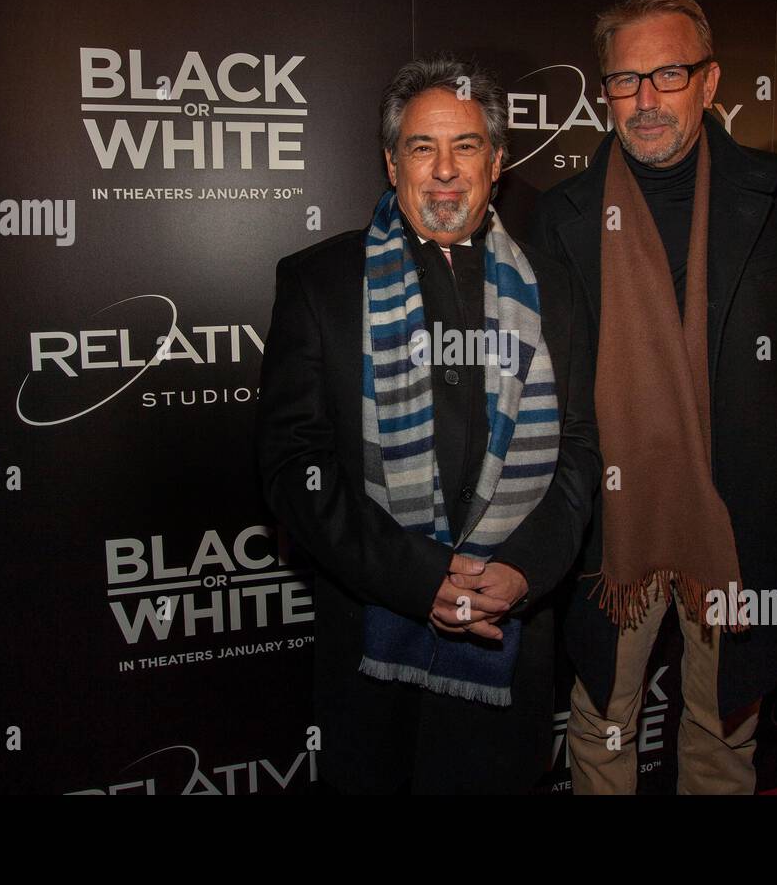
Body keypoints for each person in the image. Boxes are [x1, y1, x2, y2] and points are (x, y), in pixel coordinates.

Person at [527, 0, 777, 794]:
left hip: (742, 519)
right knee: (603, 720)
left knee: (725, 726)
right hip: (608, 533)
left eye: (669, 74)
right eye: (625, 81)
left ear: (710, 82)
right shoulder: (561, 216)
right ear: (603, 92)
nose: (646, 101)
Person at [256, 56, 601, 794]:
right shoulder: (319, 283)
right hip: (374, 644)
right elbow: (293, 465)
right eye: (421, 147)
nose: (445, 170)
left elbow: (579, 452)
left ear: (498, 162)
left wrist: (524, 572)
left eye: (467, 145)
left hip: (513, 636)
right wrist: (420, 579)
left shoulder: (556, 291)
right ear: (392, 162)